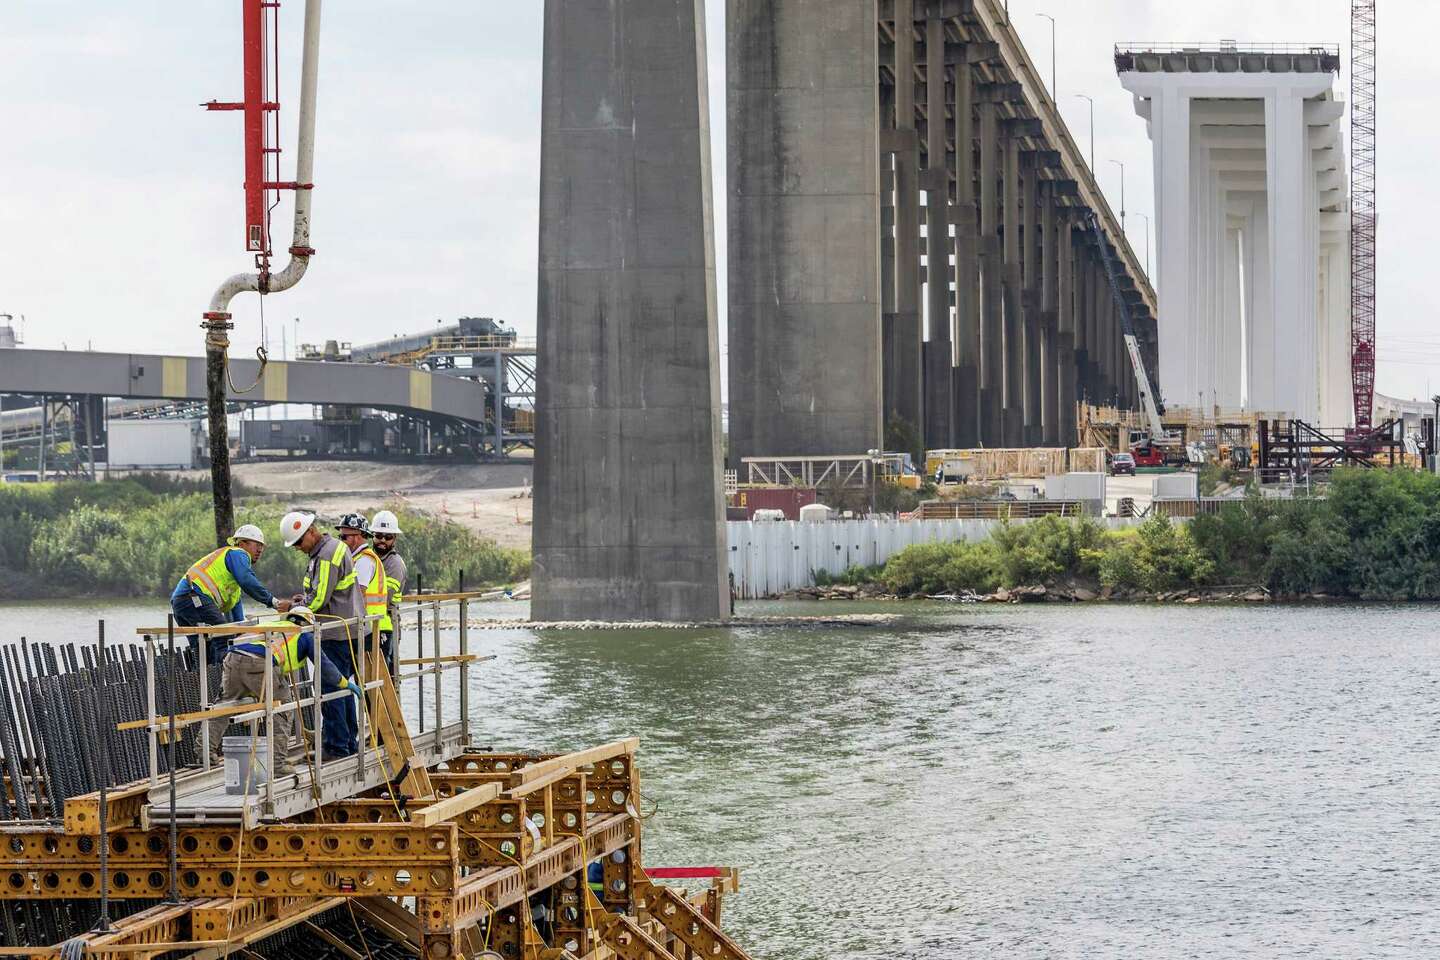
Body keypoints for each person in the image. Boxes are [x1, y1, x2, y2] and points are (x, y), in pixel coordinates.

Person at [206, 606, 360, 775]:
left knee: (225, 705)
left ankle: (204, 753)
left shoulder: (272, 625)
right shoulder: (305, 634)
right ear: (309, 622)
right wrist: (346, 684)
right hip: (260, 664)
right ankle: (277, 765)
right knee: (282, 711)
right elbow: (325, 666)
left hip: (232, 659)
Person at [281, 511, 362, 758]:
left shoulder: (327, 555)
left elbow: (318, 598)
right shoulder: (325, 551)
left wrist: (293, 608)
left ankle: (336, 747)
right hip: (343, 629)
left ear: (311, 532)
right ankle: (347, 744)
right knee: (342, 687)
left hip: (334, 632)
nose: (297, 548)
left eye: (298, 542)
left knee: (329, 688)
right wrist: (301, 599)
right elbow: (318, 592)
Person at [170, 524, 292, 662]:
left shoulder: (232, 584)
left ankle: (206, 680)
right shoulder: (237, 553)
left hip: (182, 602)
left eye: (262, 546)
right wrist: (273, 602)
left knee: (203, 647)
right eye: (256, 544)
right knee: (223, 638)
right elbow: (247, 580)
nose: (260, 550)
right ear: (241, 543)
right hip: (194, 597)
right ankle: (225, 679)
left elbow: (237, 618)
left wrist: (243, 632)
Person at [369, 510, 407, 675]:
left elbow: (383, 598)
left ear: (394, 539)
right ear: (372, 536)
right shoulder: (368, 558)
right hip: (370, 624)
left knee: (385, 675)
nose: (382, 540)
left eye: (388, 537)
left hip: (387, 625)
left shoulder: (395, 564)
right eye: (379, 535)